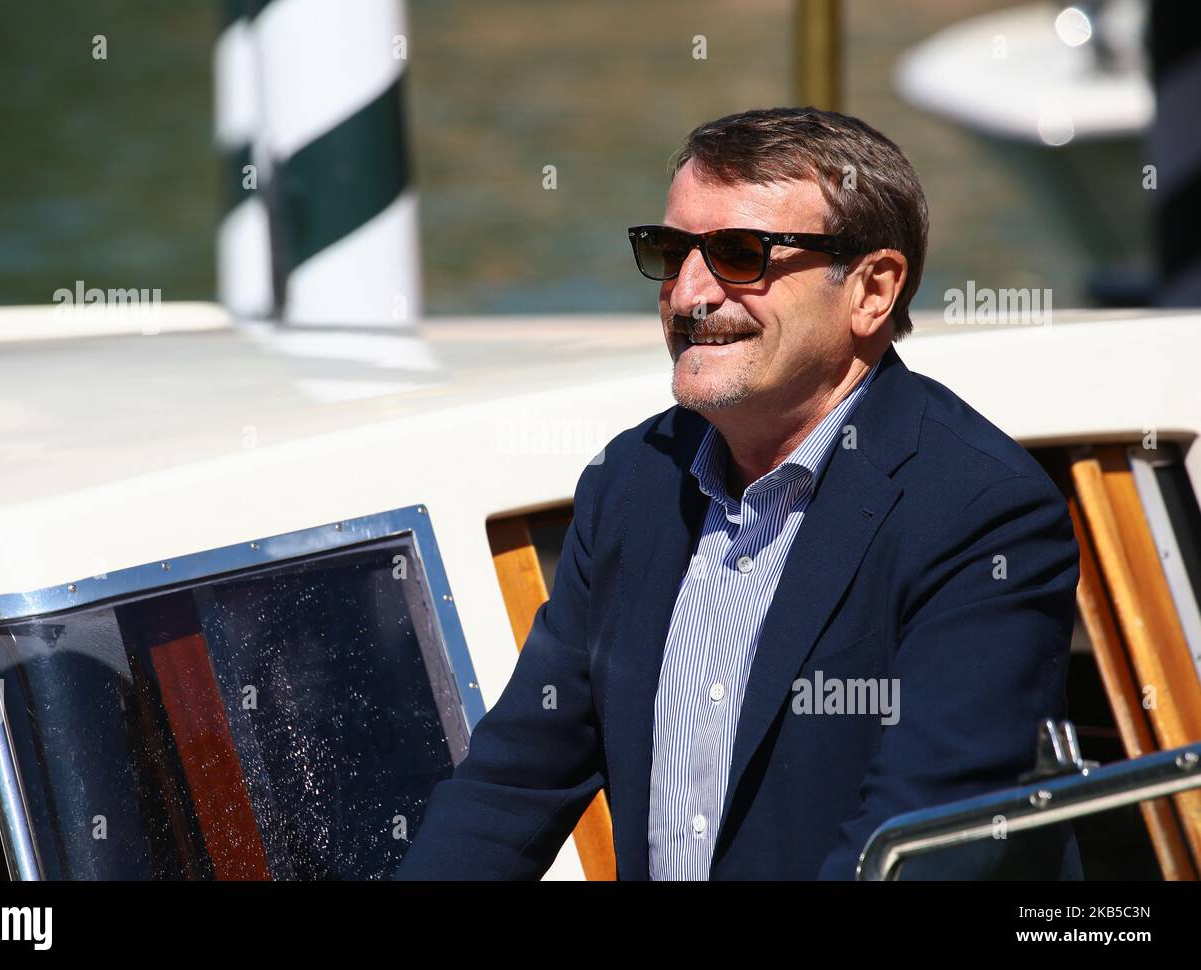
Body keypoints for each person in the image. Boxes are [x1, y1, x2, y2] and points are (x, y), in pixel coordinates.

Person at [396, 106, 1082, 880]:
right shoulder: (632, 481)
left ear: (872, 290)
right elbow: (511, 783)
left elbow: (919, 850)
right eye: (670, 250)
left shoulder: (982, 514)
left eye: (738, 254)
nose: (689, 293)